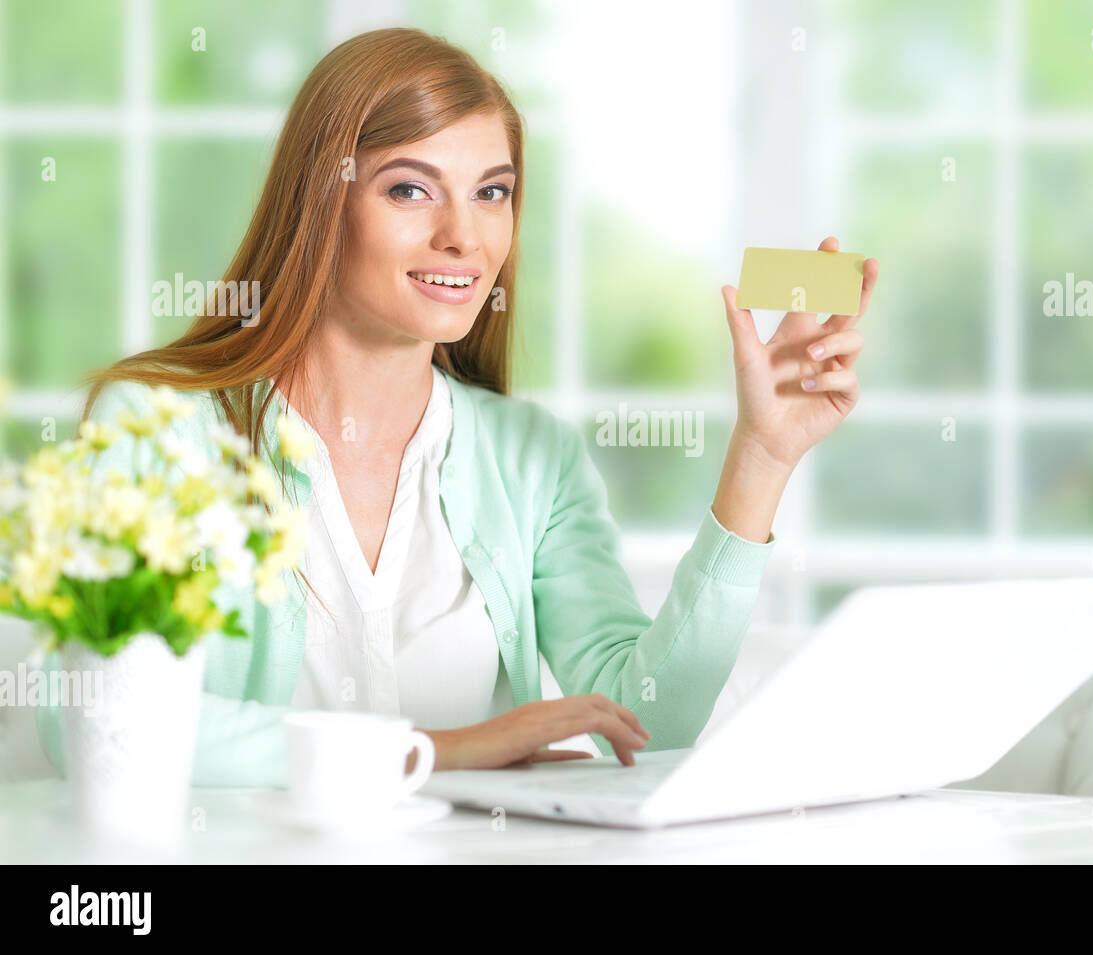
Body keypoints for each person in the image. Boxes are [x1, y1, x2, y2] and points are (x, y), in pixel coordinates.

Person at [38, 27, 878, 787]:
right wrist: (434, 749)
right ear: (319, 204)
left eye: (492, 192)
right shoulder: (156, 426)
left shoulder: (532, 458)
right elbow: (89, 720)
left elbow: (645, 721)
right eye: (410, 190)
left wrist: (761, 460)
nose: (464, 238)